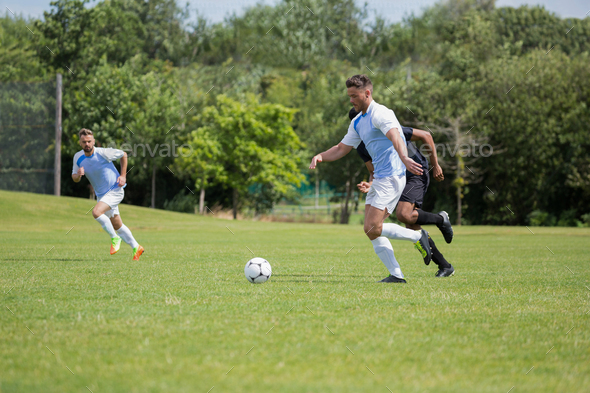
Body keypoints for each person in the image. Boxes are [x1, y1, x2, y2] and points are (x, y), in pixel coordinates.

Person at [309, 74, 431, 283]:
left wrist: (404, 158)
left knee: (373, 227)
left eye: (354, 96)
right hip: (380, 177)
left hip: (392, 176)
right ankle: (396, 275)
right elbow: (341, 148)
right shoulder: (358, 121)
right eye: (349, 96)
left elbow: (395, 136)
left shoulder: (381, 113)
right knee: (371, 230)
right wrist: (321, 155)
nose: (351, 100)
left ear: (367, 93)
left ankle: (418, 236)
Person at [350, 108, 455, 277]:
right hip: (392, 180)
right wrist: (371, 184)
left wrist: (435, 165)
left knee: (404, 214)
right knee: (411, 225)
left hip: (415, 173)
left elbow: (426, 135)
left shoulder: (385, 127)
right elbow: (374, 170)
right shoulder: (361, 145)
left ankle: (440, 219)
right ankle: (444, 266)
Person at [72, 128, 144, 260]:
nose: (87, 144)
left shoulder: (104, 152)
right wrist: (78, 175)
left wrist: (123, 176)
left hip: (115, 190)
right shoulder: (77, 157)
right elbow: (74, 178)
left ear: (93, 141)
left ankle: (114, 238)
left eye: (89, 141)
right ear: (80, 143)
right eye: (84, 142)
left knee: (96, 212)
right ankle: (136, 247)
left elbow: (124, 154)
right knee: (117, 225)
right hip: (102, 195)